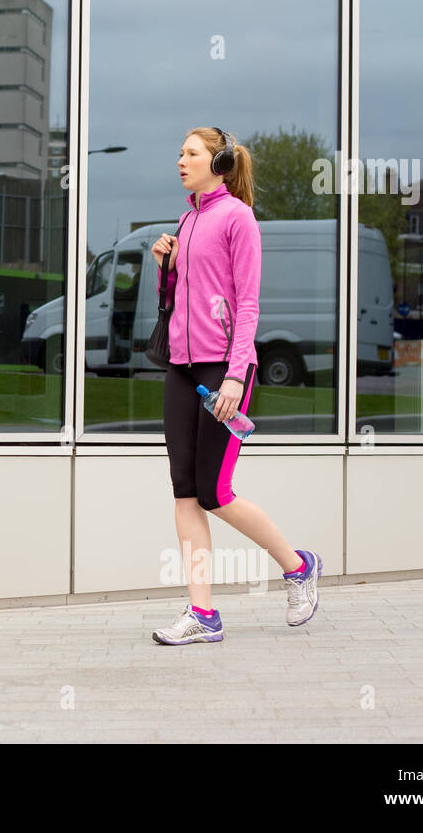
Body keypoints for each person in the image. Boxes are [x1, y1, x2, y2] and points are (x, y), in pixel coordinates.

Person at [149, 126, 322, 645]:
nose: (181, 159)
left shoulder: (238, 218)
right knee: (185, 494)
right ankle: (202, 614)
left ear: (218, 162)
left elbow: (248, 304)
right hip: (181, 368)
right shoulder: (186, 218)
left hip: (222, 369)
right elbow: (179, 299)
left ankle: (297, 566)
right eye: (179, 151)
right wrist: (166, 268)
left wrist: (235, 373)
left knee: (215, 493)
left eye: (192, 153)